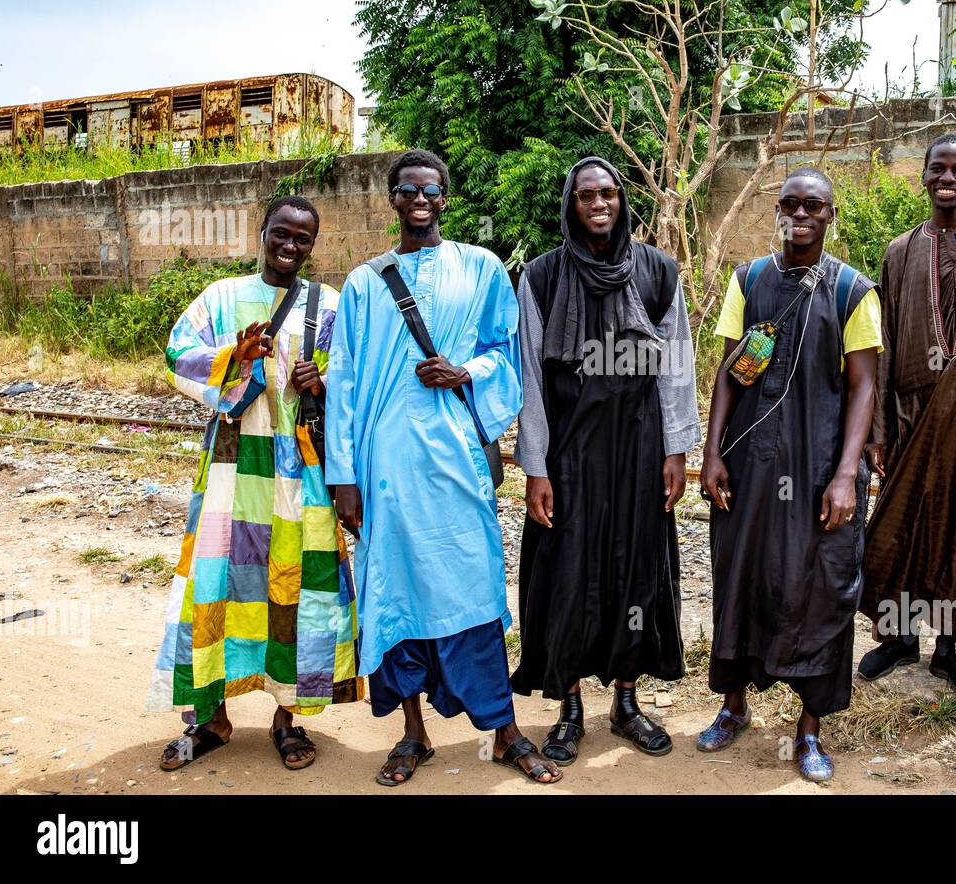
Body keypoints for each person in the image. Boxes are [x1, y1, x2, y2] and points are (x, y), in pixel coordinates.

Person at [326, 149, 561, 786]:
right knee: (395, 594)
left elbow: (506, 355)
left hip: (456, 461)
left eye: (431, 189)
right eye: (408, 190)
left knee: (472, 588)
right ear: (393, 199)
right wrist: (343, 477)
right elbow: (343, 382)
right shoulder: (363, 283)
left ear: (445, 198)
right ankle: (413, 734)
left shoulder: (481, 268)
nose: (420, 200)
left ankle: (505, 732)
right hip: (385, 467)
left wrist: (465, 372)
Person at [149, 195, 363, 772]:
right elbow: (177, 353)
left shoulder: (330, 304)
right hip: (230, 466)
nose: (290, 245)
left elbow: (356, 375)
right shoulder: (220, 297)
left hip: (301, 470)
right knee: (215, 582)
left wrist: (322, 382)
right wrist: (234, 358)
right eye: (281, 233)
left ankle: (287, 717)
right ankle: (210, 718)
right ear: (262, 231)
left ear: (312, 245)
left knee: (298, 587)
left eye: (302, 238)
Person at [511, 156, 701, 763]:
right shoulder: (542, 277)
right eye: (586, 195)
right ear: (571, 204)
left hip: (640, 449)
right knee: (566, 576)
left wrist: (676, 450)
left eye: (609, 193)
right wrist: (535, 467)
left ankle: (625, 702)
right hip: (569, 452)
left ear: (622, 201)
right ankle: (568, 708)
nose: (599, 203)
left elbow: (677, 364)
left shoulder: (657, 271)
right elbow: (529, 377)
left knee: (635, 572)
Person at [697, 166, 881, 782]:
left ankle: (808, 731)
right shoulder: (748, 280)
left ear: (830, 214)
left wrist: (846, 473)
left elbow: (864, 387)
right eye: (791, 205)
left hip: (819, 467)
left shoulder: (853, 290)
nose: (801, 215)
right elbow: (729, 371)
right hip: (750, 465)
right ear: (777, 211)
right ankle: (734, 706)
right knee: (741, 577)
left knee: (820, 589)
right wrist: (712, 452)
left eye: (814, 206)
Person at [856, 133, 956, 697]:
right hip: (911, 412)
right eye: (938, 169)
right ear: (923, 176)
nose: (948, 179)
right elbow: (886, 340)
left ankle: (950, 648)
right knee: (902, 524)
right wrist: (878, 428)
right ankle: (900, 638)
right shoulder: (900, 250)